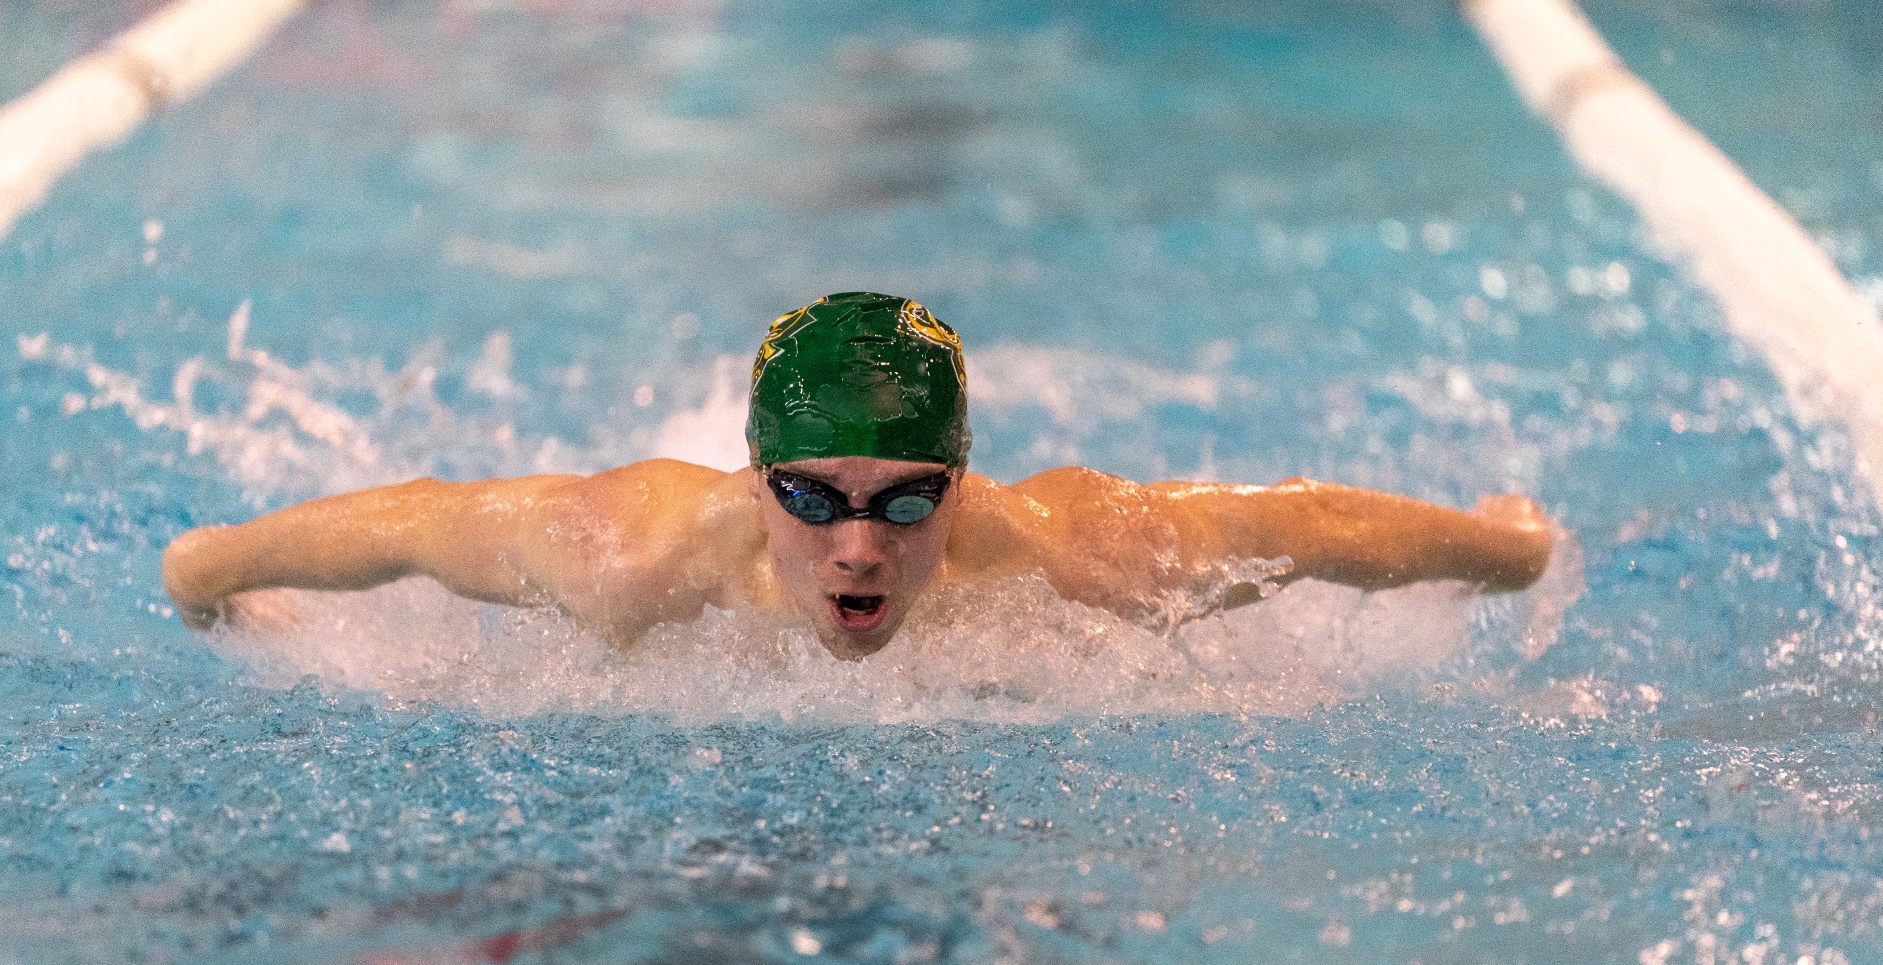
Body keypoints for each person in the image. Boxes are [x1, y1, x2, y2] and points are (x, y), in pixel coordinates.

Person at [162, 291, 1554, 659]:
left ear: (963, 483)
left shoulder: (1075, 550)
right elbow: (413, 527)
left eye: (905, 501)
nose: (858, 548)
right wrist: (211, 572)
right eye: (815, 498)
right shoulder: (631, 552)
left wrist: (1510, 549)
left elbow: (1304, 527)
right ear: (757, 477)